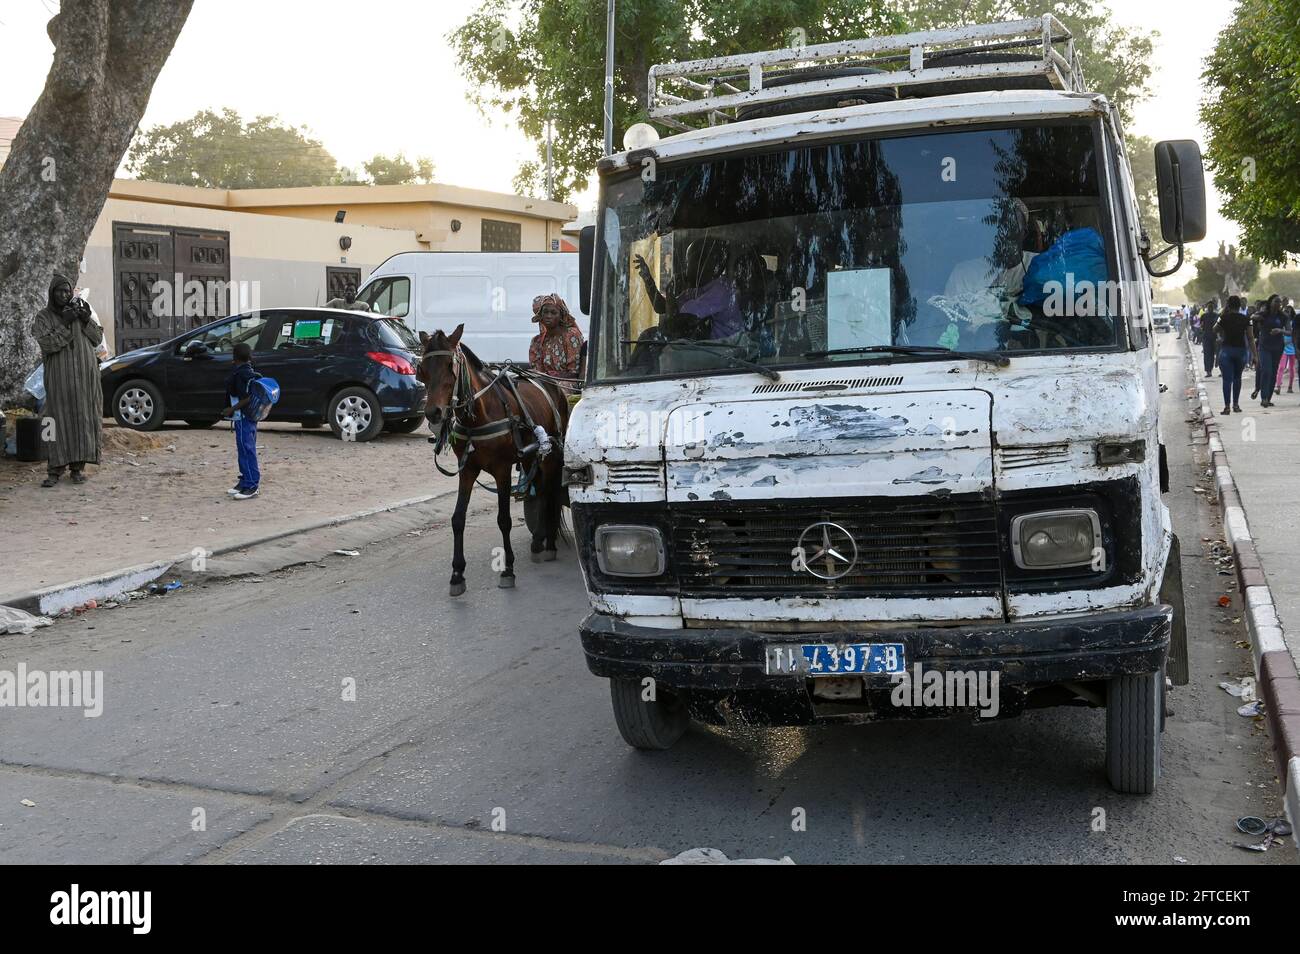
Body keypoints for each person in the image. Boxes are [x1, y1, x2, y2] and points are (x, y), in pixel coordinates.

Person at [31, 273, 103, 487]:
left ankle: (77, 468)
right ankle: (53, 469)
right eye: (59, 291)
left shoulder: (79, 312)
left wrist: (84, 319)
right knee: (55, 421)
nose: (64, 295)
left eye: (67, 291)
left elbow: (97, 339)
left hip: (85, 379)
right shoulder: (43, 317)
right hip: (59, 381)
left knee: (83, 420)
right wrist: (64, 323)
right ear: (51, 294)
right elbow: (48, 344)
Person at [634, 237, 744, 340]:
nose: (686, 269)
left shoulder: (722, 290)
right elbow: (661, 307)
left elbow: (674, 324)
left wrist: (670, 292)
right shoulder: (698, 290)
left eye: (688, 263)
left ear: (706, 264)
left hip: (725, 355)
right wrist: (648, 279)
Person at [221, 342, 261, 499]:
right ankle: (245, 481)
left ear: (234, 357)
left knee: (246, 450)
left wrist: (231, 409)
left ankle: (252, 485)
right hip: (248, 417)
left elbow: (246, 398)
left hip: (243, 417)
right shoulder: (249, 371)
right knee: (245, 449)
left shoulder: (241, 374)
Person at [1216, 295, 1257, 414]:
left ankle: (1227, 407)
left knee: (1227, 379)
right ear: (1240, 306)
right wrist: (1255, 356)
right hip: (1241, 351)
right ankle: (1236, 405)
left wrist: (1222, 314)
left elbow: (1215, 329)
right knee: (1237, 378)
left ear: (1228, 305)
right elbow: (1250, 338)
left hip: (1226, 351)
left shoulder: (1223, 318)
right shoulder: (1247, 319)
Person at [527, 293, 584, 380]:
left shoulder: (571, 335)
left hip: (567, 384)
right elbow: (537, 372)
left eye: (553, 313)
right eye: (545, 312)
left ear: (561, 316)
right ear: (540, 316)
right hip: (546, 384)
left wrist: (553, 376)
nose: (549, 316)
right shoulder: (537, 341)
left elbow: (574, 373)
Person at [1256, 294, 1287, 406]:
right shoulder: (1264, 313)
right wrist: (1257, 317)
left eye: (1279, 302)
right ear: (1270, 302)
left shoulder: (1283, 316)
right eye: (1276, 301)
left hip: (1278, 348)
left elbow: (1289, 331)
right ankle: (1263, 397)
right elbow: (1251, 317)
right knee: (1266, 370)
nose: (1278, 304)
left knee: (1273, 372)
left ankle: (1268, 398)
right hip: (1264, 347)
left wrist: (1280, 330)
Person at [1278, 309, 1296, 395]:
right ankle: (1278, 386)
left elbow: (1296, 335)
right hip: (1283, 347)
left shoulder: (1294, 323)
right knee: (1281, 367)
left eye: (1288, 312)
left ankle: (1290, 386)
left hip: (1292, 347)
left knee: (1291, 368)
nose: (1286, 314)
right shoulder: (1281, 322)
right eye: (1285, 312)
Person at [1200, 298, 1219, 377]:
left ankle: (1219, 369)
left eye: (1211, 306)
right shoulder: (1203, 316)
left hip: (1215, 337)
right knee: (1207, 354)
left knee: (1217, 354)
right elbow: (1201, 325)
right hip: (1206, 337)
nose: (1210, 308)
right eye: (1209, 306)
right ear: (1207, 308)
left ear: (1213, 307)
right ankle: (1208, 371)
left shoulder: (1217, 315)